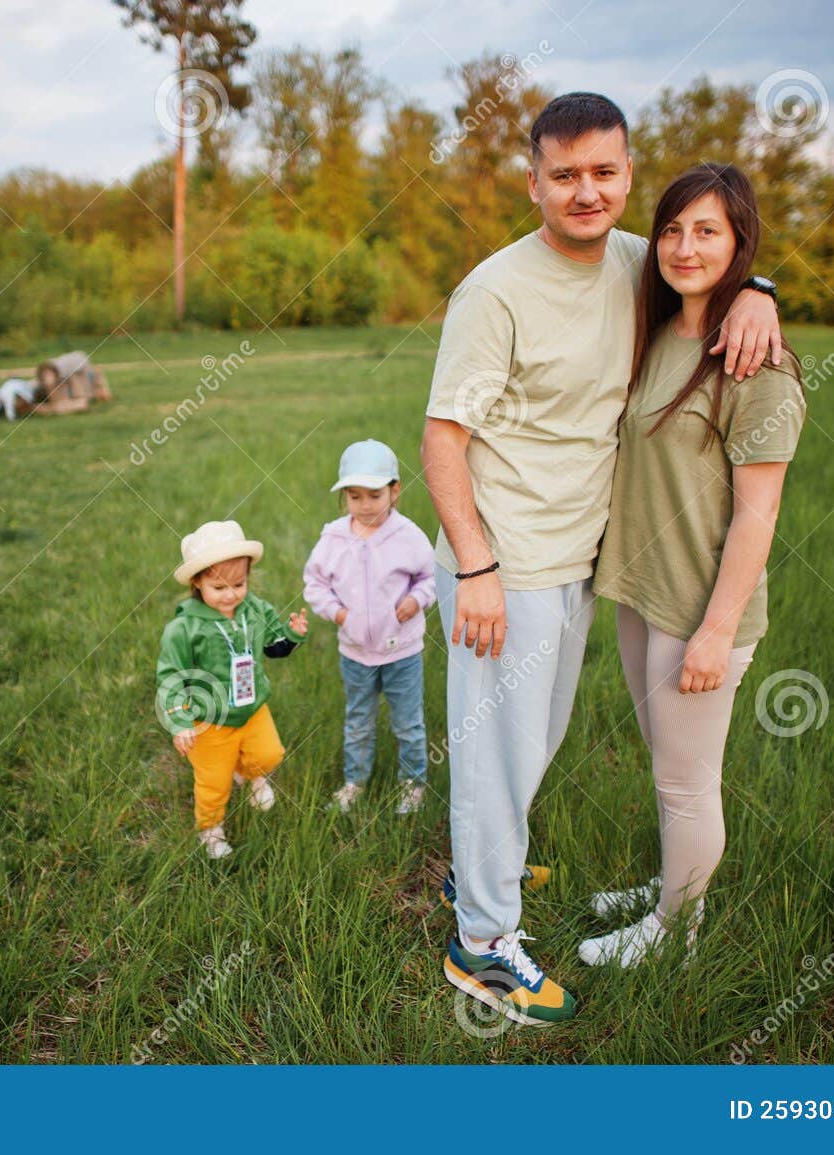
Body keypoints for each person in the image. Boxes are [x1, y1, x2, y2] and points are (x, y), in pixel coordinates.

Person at [421, 92, 783, 1026]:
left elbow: (713, 266)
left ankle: (481, 866)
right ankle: (485, 946)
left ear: (627, 174)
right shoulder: (495, 289)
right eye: (565, 174)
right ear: (533, 180)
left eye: (606, 172)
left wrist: (759, 293)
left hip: (583, 558)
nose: (587, 191)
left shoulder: (637, 264)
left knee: (531, 744)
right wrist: (474, 565)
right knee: (501, 751)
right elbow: (442, 439)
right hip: (505, 564)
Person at [579, 163, 804, 969]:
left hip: (702, 610)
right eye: (673, 228)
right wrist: (760, 285)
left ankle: (677, 937)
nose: (684, 245)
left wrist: (716, 631)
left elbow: (759, 512)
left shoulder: (758, 364)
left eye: (708, 230)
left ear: (740, 241)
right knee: (666, 761)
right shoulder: (661, 326)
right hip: (642, 591)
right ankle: (674, 886)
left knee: (686, 781)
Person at [156, 520, 309, 858]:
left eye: (238, 584)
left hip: (252, 707)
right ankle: (210, 828)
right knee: (214, 782)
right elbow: (172, 675)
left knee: (269, 754)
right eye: (219, 587)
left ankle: (252, 776)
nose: (231, 595)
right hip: (209, 719)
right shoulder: (184, 628)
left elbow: (273, 647)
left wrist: (292, 635)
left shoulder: (254, 610)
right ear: (198, 583)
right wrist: (179, 721)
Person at [302, 440, 436, 816]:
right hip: (356, 653)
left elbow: (431, 576)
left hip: (402, 651)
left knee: (408, 722)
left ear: (395, 490)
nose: (364, 505)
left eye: (374, 495)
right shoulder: (334, 538)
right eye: (354, 496)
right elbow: (314, 583)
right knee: (358, 719)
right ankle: (355, 781)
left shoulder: (407, 535)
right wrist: (339, 614)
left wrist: (418, 599)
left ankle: (413, 783)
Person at [35, 350, 111, 414]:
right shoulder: (65, 377)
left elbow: (83, 403)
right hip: (69, 375)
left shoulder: (81, 377)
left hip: (79, 375)